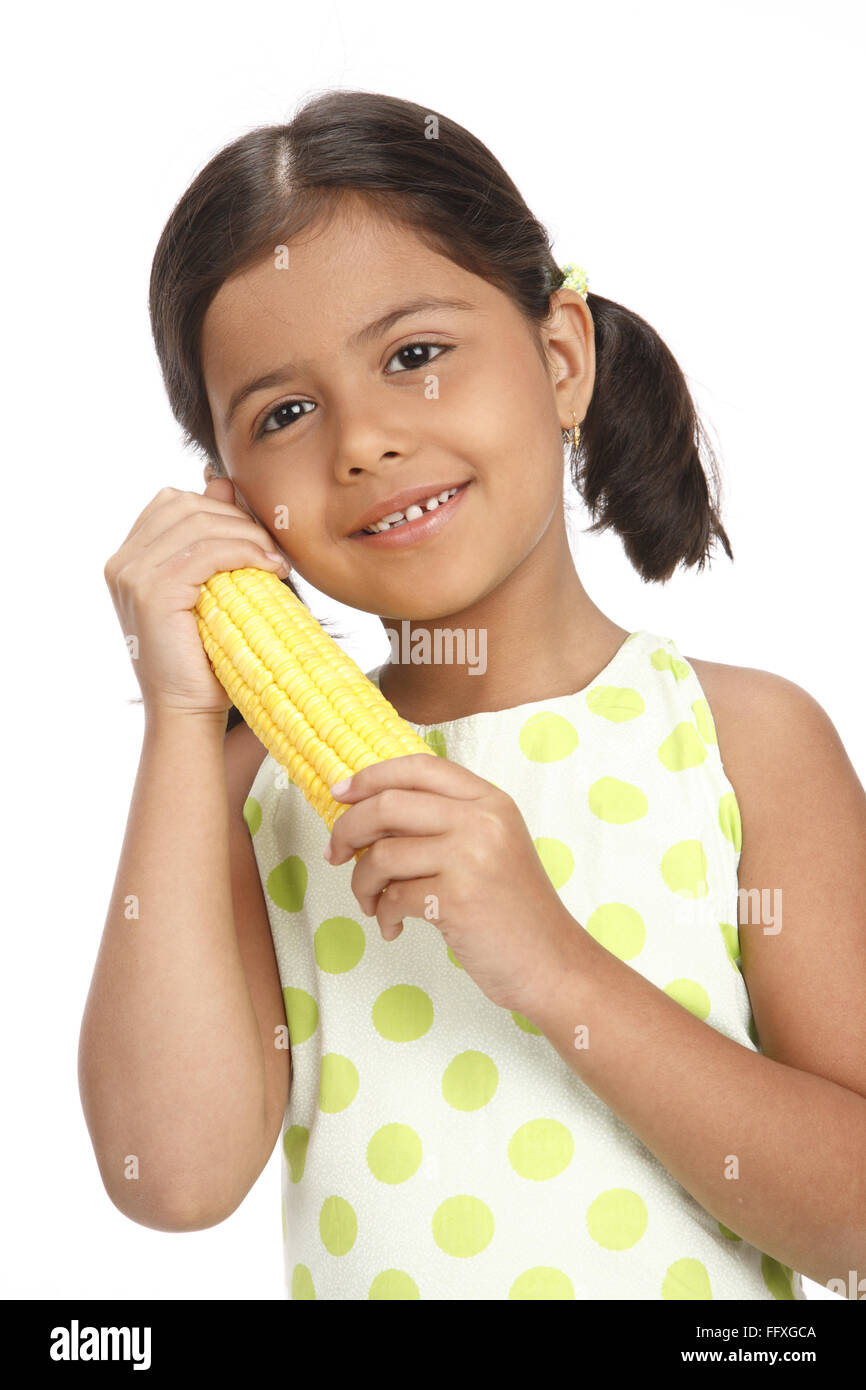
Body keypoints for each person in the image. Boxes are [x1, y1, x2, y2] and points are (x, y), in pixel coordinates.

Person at [81, 89, 866, 1301]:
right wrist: (184, 721)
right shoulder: (248, 793)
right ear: (233, 497)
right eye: (284, 413)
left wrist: (549, 962)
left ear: (558, 357)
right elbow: (170, 1179)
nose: (363, 441)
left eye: (414, 356)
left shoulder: (742, 741)